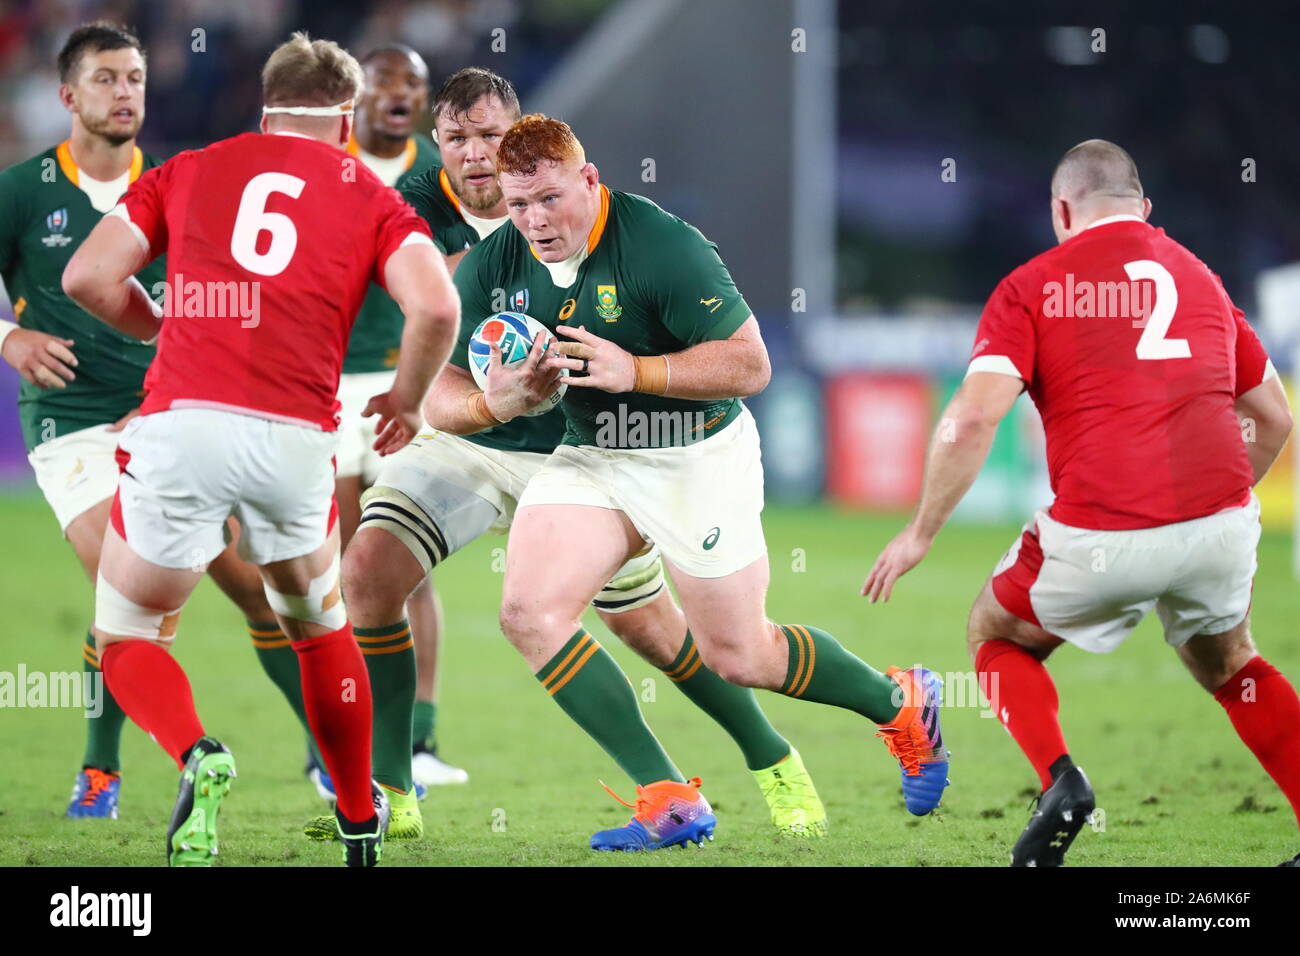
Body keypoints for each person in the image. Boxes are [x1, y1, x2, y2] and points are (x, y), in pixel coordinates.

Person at [331, 74, 829, 844]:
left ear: (528, 137)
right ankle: (395, 790)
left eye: (492, 136)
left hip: (585, 455)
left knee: (656, 634)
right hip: (475, 438)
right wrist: (484, 403)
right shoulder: (408, 214)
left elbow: (723, 351)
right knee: (366, 574)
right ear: (439, 147)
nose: (475, 154)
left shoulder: (591, 213)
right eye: (457, 139)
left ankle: (770, 757)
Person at [437, 113, 948, 851]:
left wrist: (638, 371)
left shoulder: (662, 245)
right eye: (518, 205)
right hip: (594, 457)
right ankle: (670, 799)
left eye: (549, 198)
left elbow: (752, 365)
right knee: (529, 613)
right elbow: (440, 391)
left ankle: (897, 701)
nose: (534, 221)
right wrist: (494, 403)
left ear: (588, 179)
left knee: (740, 656)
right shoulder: (498, 264)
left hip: (694, 455)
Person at [62, 32, 460, 866]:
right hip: (295, 437)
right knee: (319, 630)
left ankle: (197, 753)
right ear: (344, 119)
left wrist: (164, 326)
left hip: (183, 425)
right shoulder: (370, 193)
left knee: (129, 634)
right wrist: (406, 398)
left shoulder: (190, 167)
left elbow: (87, 279)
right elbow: (435, 308)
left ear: (264, 106)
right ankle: (359, 820)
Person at [864, 139, 1300, 867]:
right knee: (1234, 668)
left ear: (1061, 211)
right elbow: (1277, 418)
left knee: (995, 632)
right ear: (1145, 211)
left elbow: (972, 418)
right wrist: (1205, 514)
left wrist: (919, 533)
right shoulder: (1201, 277)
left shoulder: (1031, 286)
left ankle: (1060, 784)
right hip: (1223, 524)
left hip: (1104, 533)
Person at [0, 21, 287, 822]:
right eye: (106, 79)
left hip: (171, 418)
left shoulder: (178, 184)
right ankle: (113, 768)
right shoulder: (20, 191)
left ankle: (335, 764)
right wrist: (10, 336)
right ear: (67, 96)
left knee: (261, 594)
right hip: (72, 425)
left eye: (134, 78)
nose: (125, 92)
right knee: (122, 587)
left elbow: (228, 301)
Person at [295, 43, 469, 820]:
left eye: (414, 84)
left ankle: (420, 740)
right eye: (386, 81)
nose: (400, 93)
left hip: (411, 383)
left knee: (404, 558)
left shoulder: (440, 174)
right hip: (330, 381)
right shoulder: (320, 162)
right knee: (328, 556)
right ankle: (329, 745)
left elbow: (463, 275)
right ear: (355, 95)